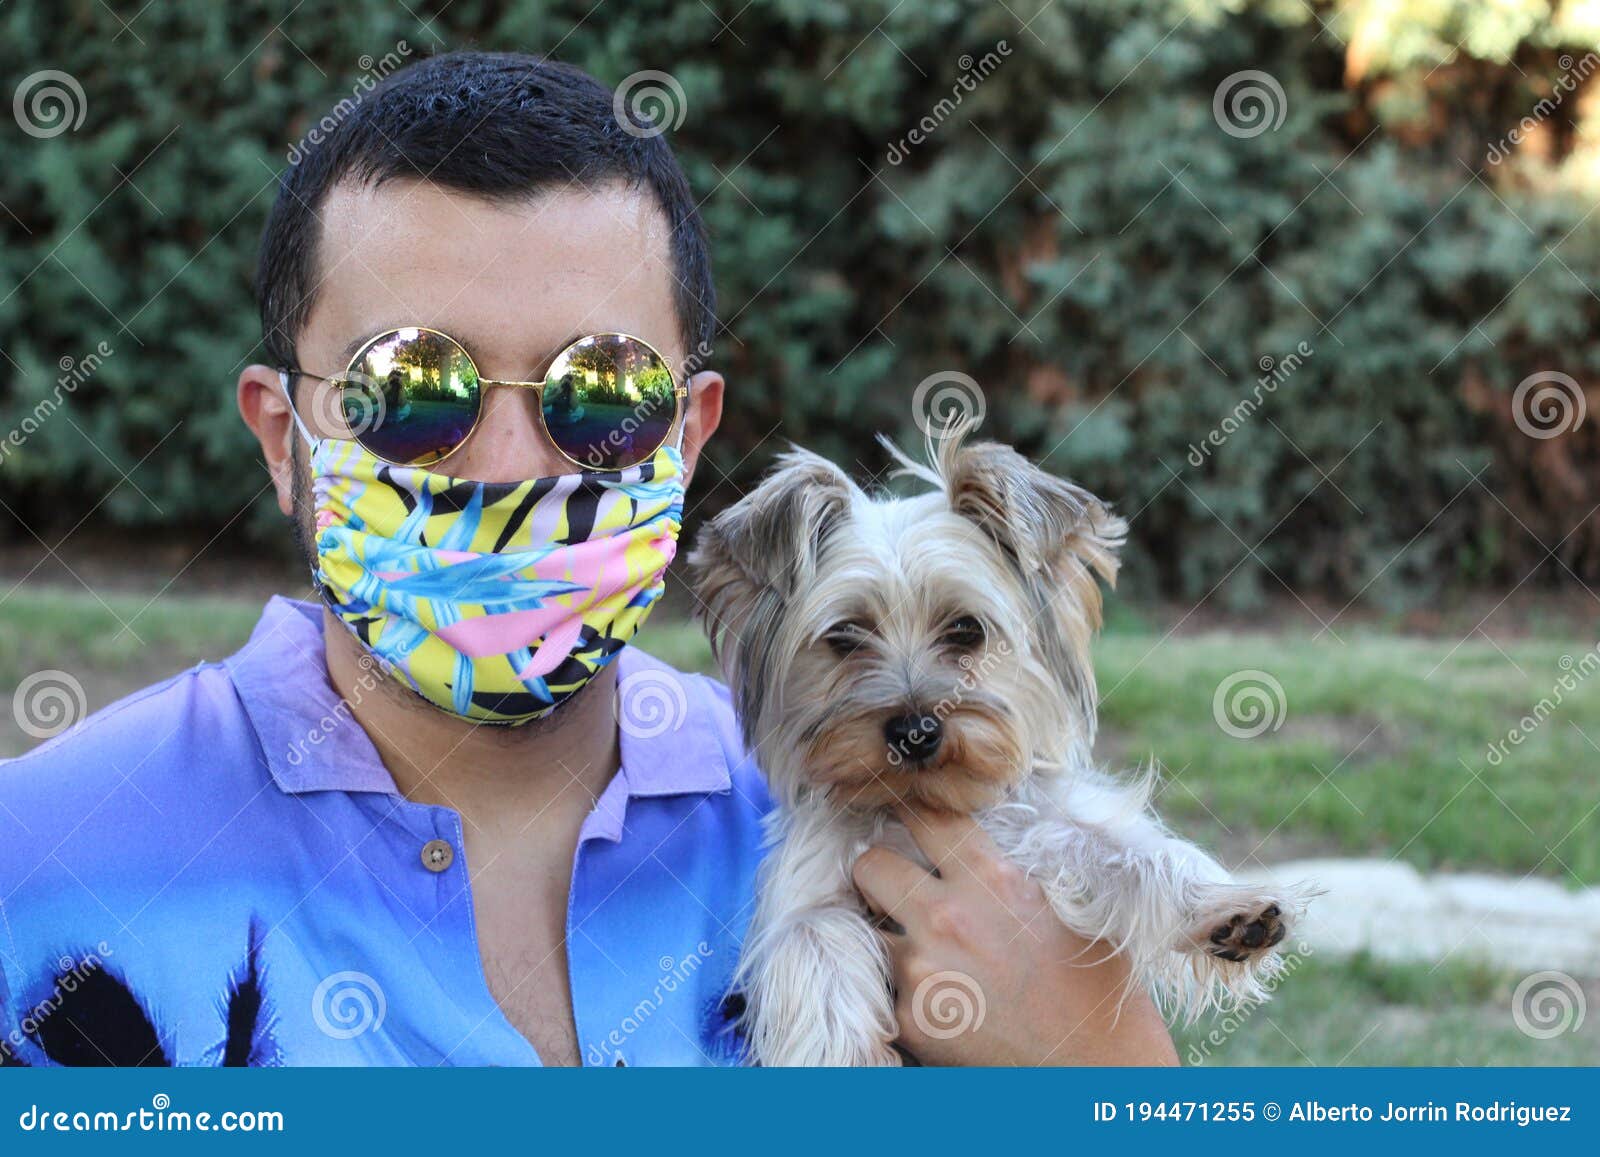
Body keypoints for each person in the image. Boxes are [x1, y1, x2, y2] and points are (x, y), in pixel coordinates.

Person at [0, 51, 1176, 1068]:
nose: (509, 463)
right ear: (281, 435)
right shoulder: (41, 861)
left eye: (600, 392)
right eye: (411, 388)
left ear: (689, 434)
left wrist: (1094, 1052)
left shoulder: (871, 819)